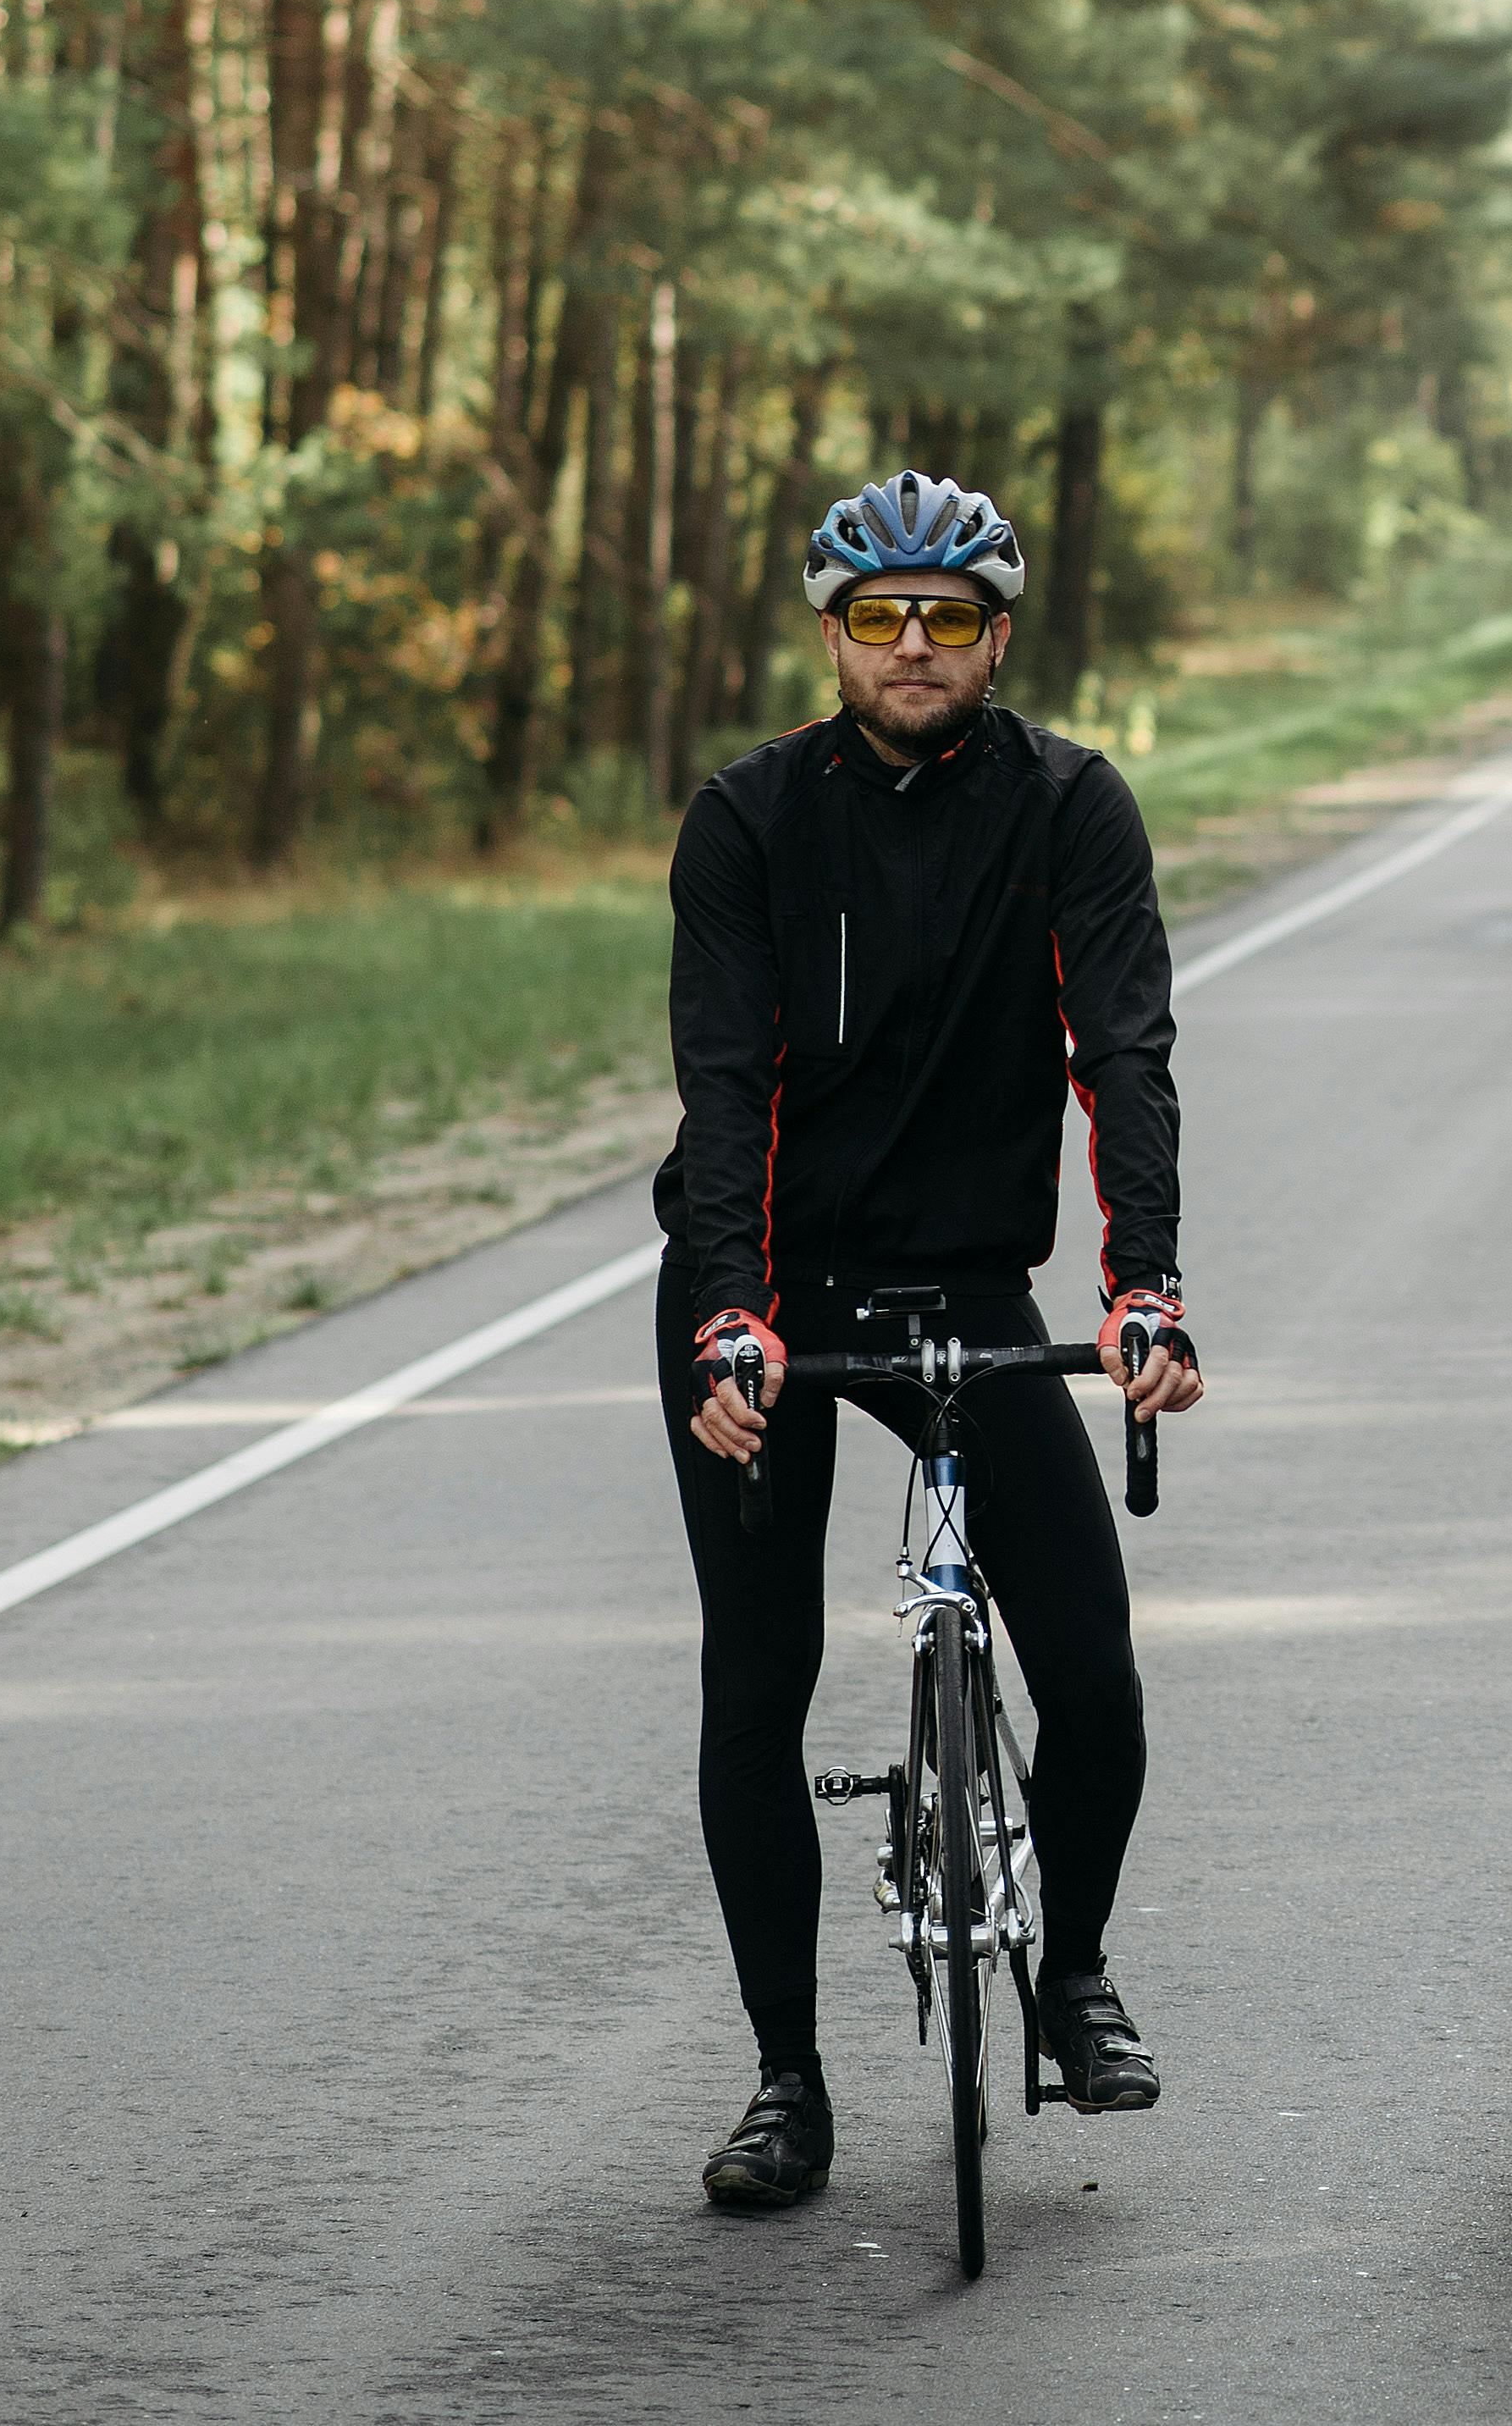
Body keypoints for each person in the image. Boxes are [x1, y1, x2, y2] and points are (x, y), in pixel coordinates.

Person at [657, 470, 1208, 2214]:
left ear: (996, 634)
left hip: (969, 1284)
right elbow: (726, 1083)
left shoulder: (1067, 803)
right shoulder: (745, 820)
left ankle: (1070, 1972)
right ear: (829, 631)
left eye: (948, 614)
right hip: (766, 1283)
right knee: (751, 1676)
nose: (913, 643)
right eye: (880, 614)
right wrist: (734, 1312)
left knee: (1097, 1679)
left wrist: (1146, 1288)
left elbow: (1123, 1050)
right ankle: (785, 2083)